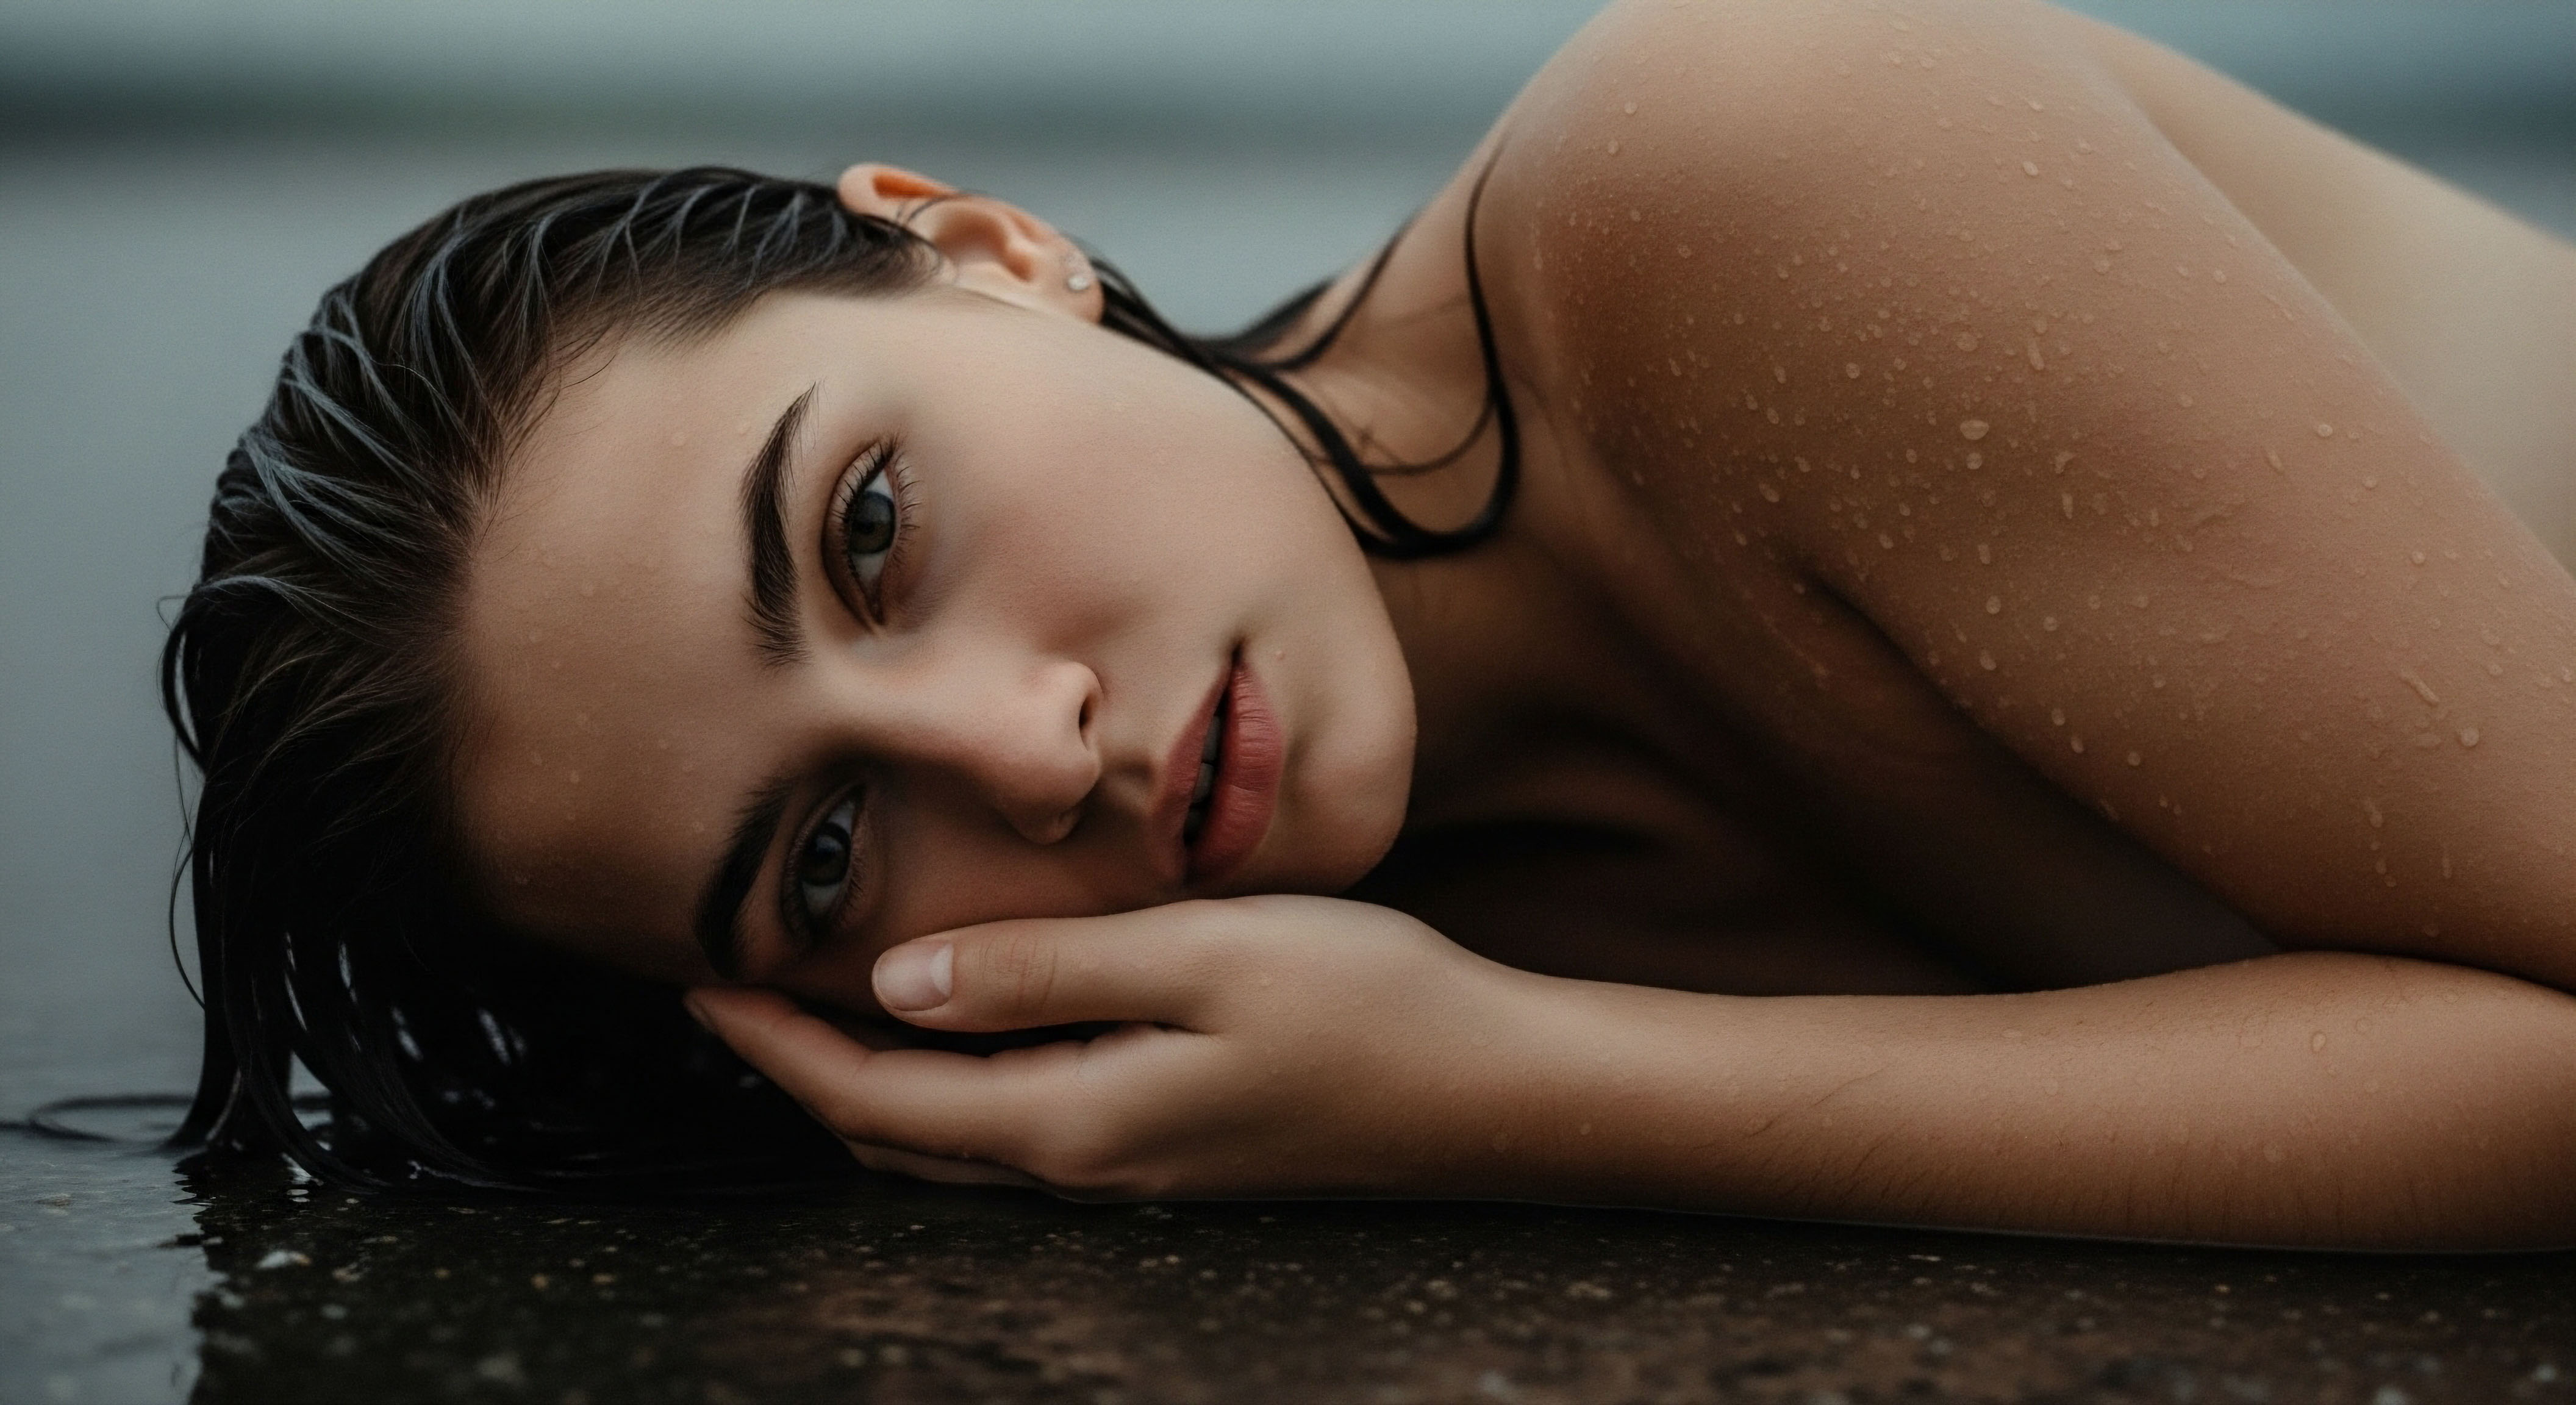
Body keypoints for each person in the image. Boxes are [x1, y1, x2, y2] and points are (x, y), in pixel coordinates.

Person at [166, 0, 2576, 1246]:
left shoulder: (1757, 154)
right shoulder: (1252, 1042)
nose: (1033, 751)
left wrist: (1518, 1093)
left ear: (987, 250)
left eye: (872, 527)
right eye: (823, 855)